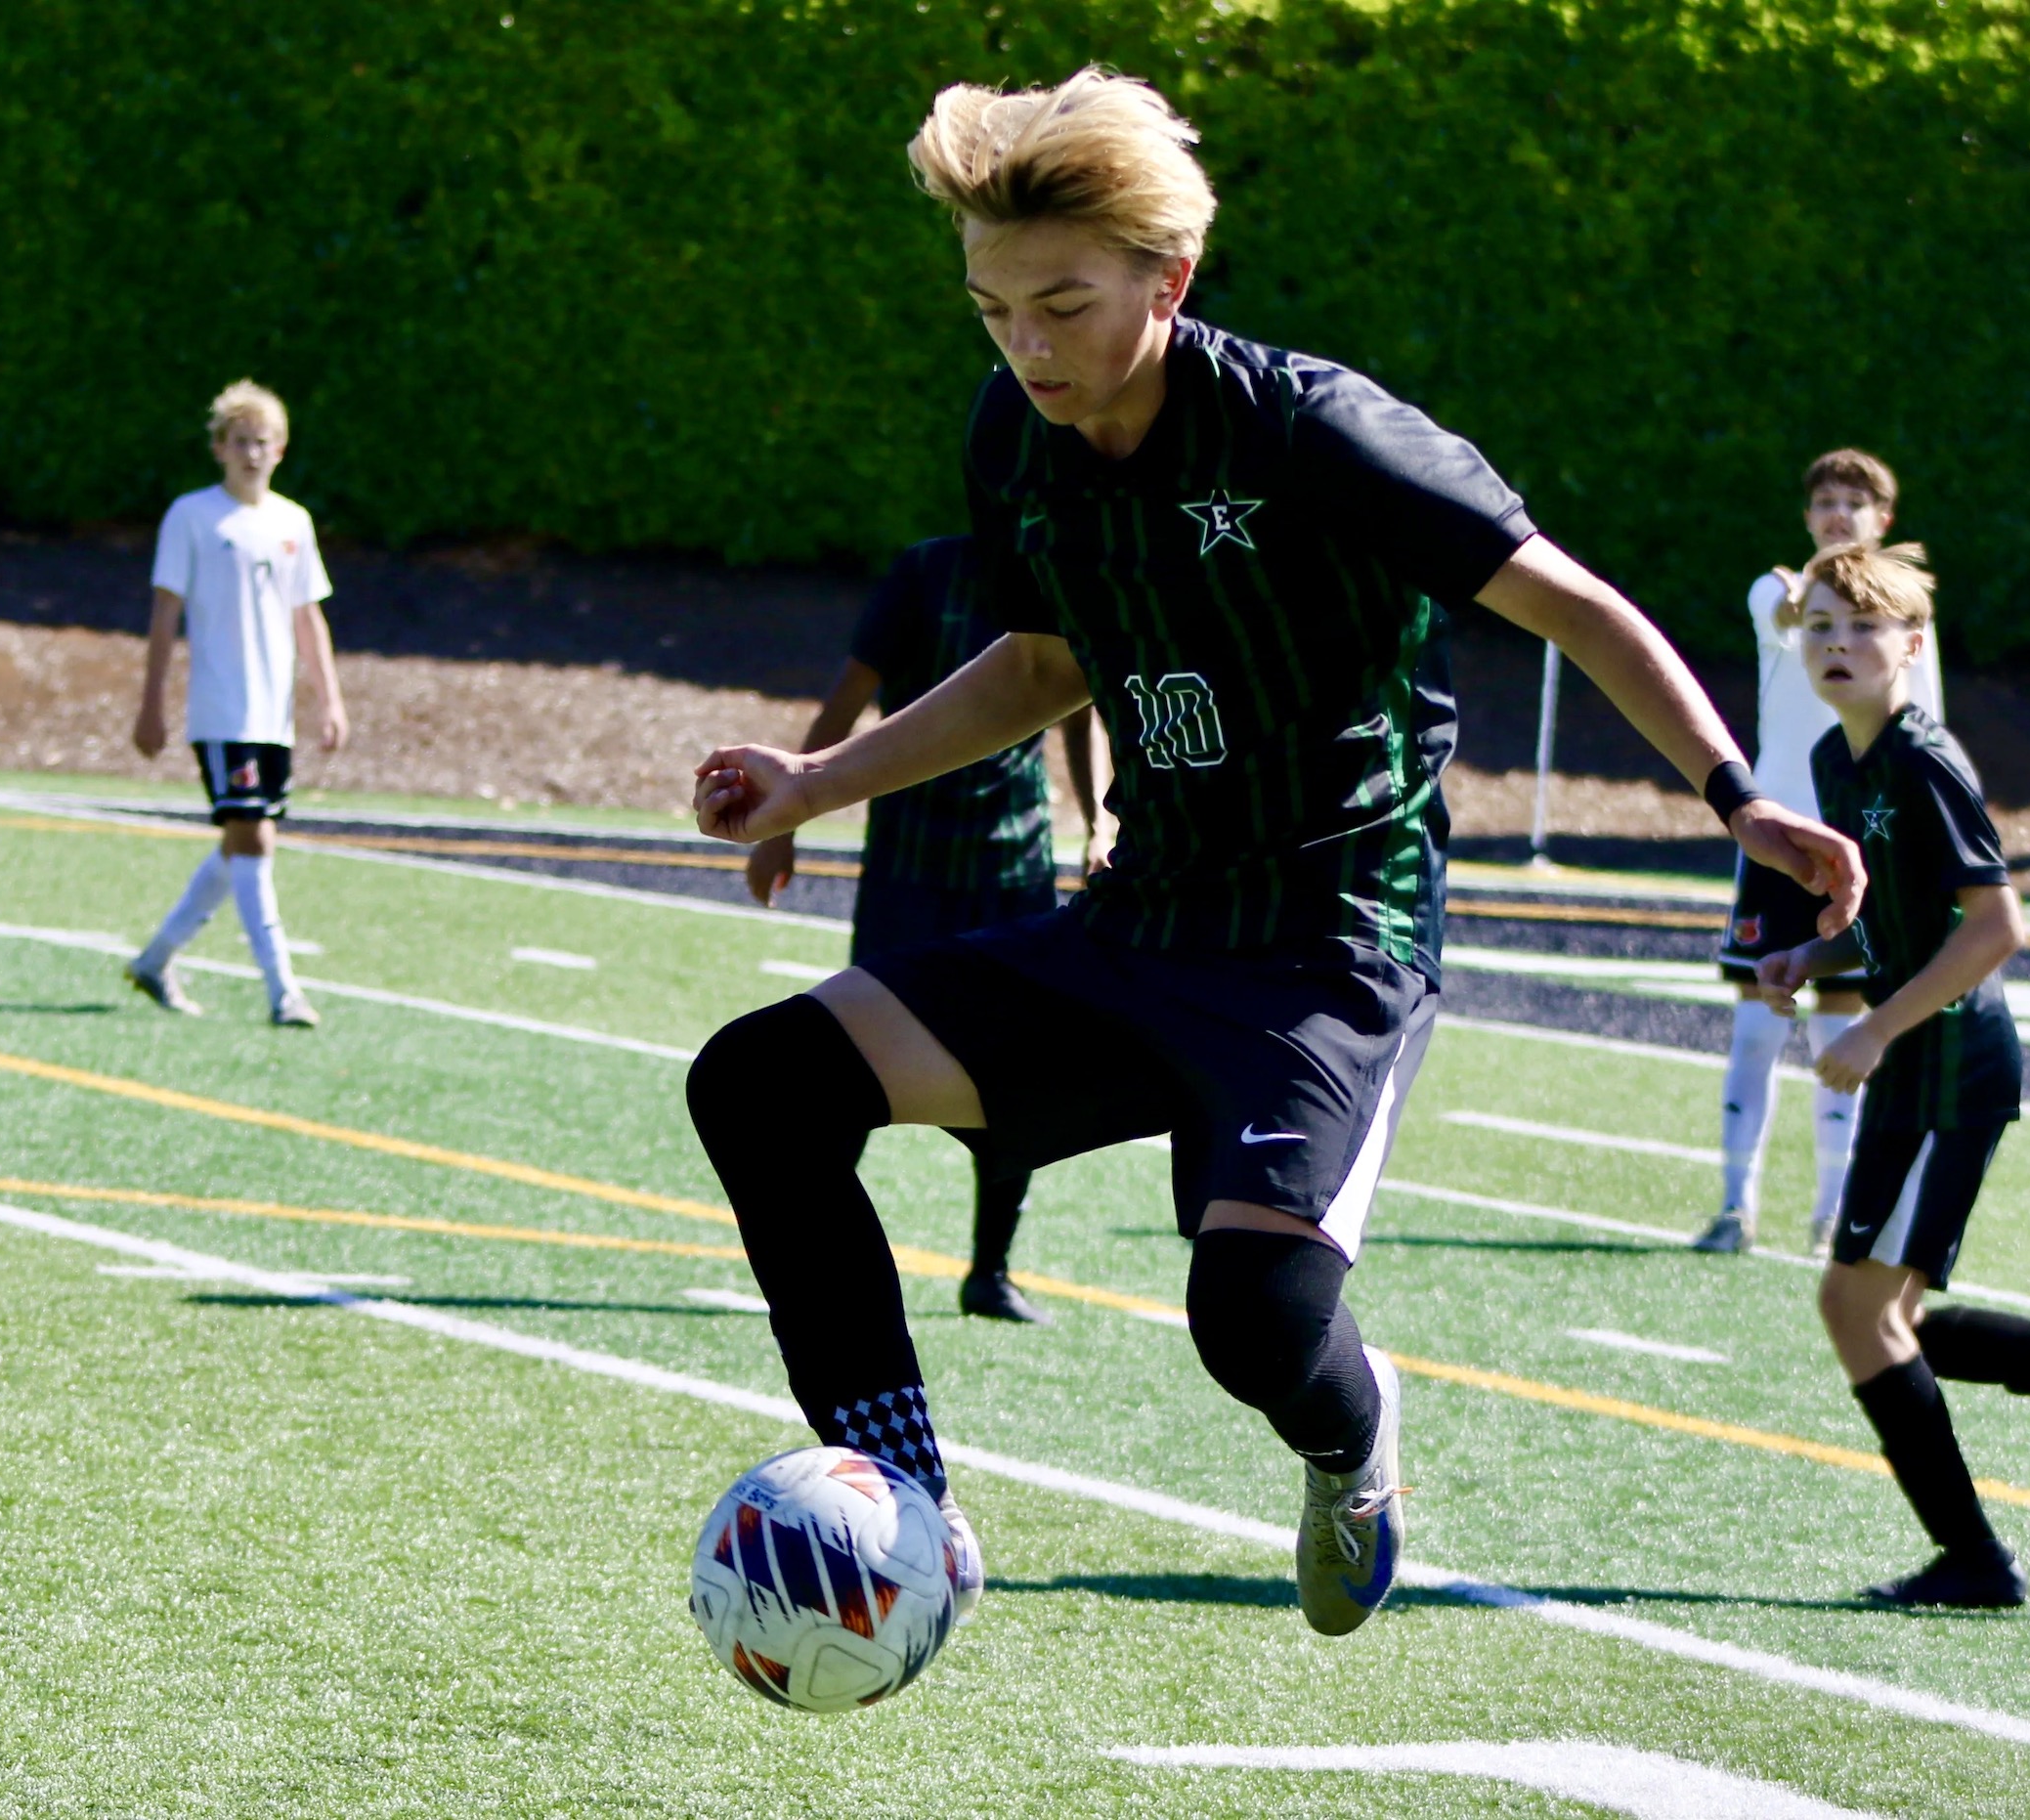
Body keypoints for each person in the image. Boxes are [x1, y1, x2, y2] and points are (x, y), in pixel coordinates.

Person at [684, 68, 1864, 1637]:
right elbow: (1044, 663)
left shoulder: (1313, 429)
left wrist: (1739, 798)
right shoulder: (1015, 436)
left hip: (1330, 941)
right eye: (990, 310)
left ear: (1166, 281)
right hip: (1139, 925)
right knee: (759, 1081)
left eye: (1062, 303)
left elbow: (1572, 603)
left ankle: (1356, 1437)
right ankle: (904, 1503)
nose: (1025, 345)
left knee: (1249, 1319)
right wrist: (815, 778)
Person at [1754, 542, 2030, 1609]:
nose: (1836, 643)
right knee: (1883, 1318)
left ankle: (1976, 1558)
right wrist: (1812, 957)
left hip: (1950, 1061)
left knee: (1853, 1309)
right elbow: (1901, 926)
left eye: (1860, 626)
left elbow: (1995, 925)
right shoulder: (1834, 760)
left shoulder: (1923, 758)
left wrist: (1870, 1032)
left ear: (1912, 644)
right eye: (1818, 625)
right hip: (1917, 1054)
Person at [746, 534, 1115, 1323]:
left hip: (1011, 861)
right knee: (847, 1055)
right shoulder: (925, 571)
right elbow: (849, 699)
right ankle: (807, 1260)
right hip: (910, 864)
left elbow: (1083, 707)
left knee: (1022, 1070)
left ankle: (991, 1270)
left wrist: (1099, 822)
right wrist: (786, 822)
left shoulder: (1067, 567)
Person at [1698, 450, 1946, 1257]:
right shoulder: (1778, 589)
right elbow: (1790, 608)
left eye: (1856, 503)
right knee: (1757, 1026)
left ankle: (1833, 1214)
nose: (1839, 513)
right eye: (1826, 502)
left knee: (1844, 1031)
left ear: (1885, 519)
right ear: (1807, 517)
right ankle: (1736, 1205)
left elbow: (1923, 721)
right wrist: (1827, 580)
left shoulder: (1908, 621)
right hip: (1778, 843)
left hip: (1861, 849)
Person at [123, 379, 346, 1027]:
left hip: (273, 714)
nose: (252, 453)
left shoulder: (293, 522)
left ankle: (156, 959)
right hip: (222, 708)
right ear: (219, 448)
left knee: (243, 838)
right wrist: (151, 703)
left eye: (263, 442)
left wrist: (328, 699)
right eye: (240, 441)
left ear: (281, 450)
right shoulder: (191, 517)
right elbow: (166, 612)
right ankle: (283, 989)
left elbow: (309, 618)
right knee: (253, 835)